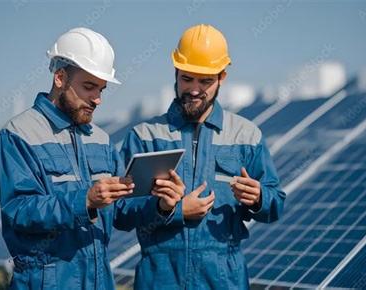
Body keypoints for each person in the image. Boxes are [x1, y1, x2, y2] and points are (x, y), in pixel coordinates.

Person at [114, 24, 286, 289]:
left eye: (205, 81)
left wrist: (260, 198)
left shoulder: (246, 135)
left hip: (223, 278)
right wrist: (171, 210)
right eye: (186, 78)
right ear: (175, 73)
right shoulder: (144, 136)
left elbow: (276, 204)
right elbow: (120, 213)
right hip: (160, 277)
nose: (194, 89)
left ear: (222, 78)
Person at [0, 27, 134, 290]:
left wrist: (163, 205)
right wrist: (85, 200)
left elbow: (122, 212)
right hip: (45, 281)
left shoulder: (101, 140)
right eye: (89, 87)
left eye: (102, 89)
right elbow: (20, 210)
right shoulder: (19, 134)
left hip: (99, 280)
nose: (97, 99)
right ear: (60, 78)